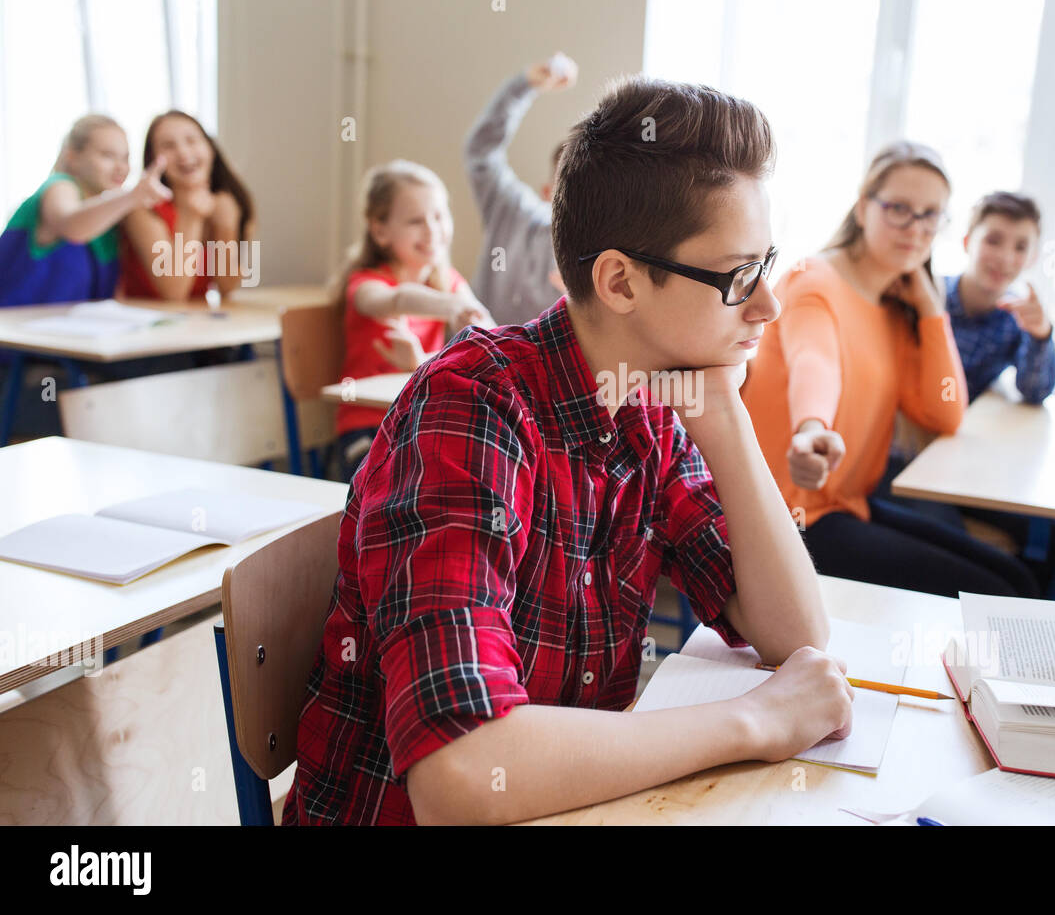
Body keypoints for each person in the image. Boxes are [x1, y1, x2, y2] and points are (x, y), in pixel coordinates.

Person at [284, 77, 852, 825]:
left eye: (767, 265)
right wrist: (755, 721)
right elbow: (463, 772)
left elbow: (795, 637)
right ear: (619, 281)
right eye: (737, 275)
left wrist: (724, 416)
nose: (768, 305)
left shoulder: (650, 405)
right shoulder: (471, 409)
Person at [743, 142, 1040, 599]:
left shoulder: (894, 306)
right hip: (784, 517)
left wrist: (930, 310)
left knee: (1018, 579)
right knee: (1002, 596)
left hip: (843, 506)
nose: (915, 228)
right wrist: (811, 428)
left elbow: (946, 414)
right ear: (864, 208)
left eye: (930, 215)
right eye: (899, 208)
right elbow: (816, 361)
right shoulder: (814, 280)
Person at [332, 160, 493, 483]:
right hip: (367, 429)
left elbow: (489, 336)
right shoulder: (365, 284)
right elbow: (396, 299)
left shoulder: (447, 281)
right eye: (416, 221)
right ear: (380, 230)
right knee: (412, 484)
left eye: (438, 216)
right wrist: (454, 306)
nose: (432, 230)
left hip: (420, 422)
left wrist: (421, 361)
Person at [0, 115, 168, 307]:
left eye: (125, 158)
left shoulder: (107, 219)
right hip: (13, 331)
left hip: (65, 332)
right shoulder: (60, 186)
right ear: (72, 157)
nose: (121, 167)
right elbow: (71, 225)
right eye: (107, 155)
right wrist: (132, 197)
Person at [463, 52, 575, 326]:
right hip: (472, 356)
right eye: (569, 185)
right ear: (548, 192)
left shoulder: (599, 260)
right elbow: (481, 152)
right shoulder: (512, 211)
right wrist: (523, 86)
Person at [118, 110, 256, 301]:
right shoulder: (142, 210)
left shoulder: (232, 202)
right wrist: (191, 217)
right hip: (147, 322)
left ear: (210, 148)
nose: (183, 152)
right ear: (153, 158)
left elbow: (227, 287)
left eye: (192, 140)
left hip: (197, 322)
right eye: (168, 146)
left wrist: (226, 228)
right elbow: (174, 293)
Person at [946, 191, 1055, 403]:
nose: (1005, 258)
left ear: (1032, 258)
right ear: (967, 242)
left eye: (1020, 247)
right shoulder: (930, 294)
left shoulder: (1016, 320)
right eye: (993, 241)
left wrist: (1041, 335)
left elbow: (1036, 392)